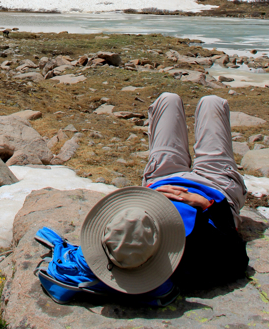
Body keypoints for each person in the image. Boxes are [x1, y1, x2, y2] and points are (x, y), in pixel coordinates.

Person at [38, 93, 249, 304]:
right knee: (212, 103)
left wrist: (149, 193)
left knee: (167, 100)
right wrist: (206, 204)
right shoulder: (194, 264)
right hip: (215, 185)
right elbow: (237, 257)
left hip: (162, 179)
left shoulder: (117, 244)